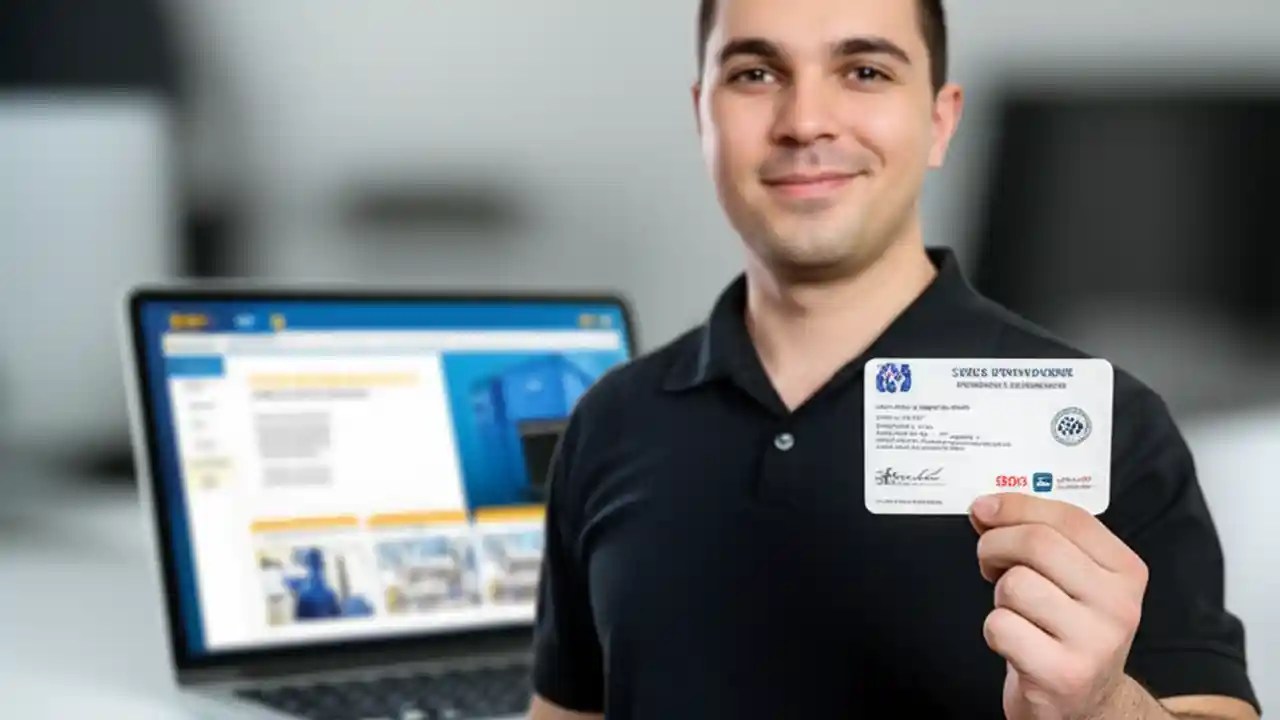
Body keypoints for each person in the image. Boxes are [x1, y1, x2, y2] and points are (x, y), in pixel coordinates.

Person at [527, 0, 1261, 717]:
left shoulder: (1113, 426)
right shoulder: (607, 420)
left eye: (865, 71)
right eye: (755, 73)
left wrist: (1100, 705)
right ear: (703, 115)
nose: (805, 120)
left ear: (940, 119)